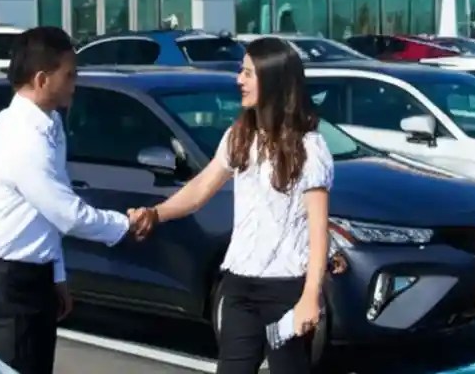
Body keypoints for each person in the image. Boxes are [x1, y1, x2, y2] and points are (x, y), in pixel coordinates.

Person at [128, 37, 333, 374]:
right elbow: (199, 190)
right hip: (238, 287)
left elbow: (317, 227)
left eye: (249, 73)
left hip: (286, 291)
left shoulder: (310, 147)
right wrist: (155, 213)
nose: (239, 79)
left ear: (274, 79)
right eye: (242, 71)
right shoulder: (239, 136)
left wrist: (311, 295)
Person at [0, 26, 133, 374]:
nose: (74, 84)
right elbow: (67, 215)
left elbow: (43, 217)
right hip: (4, 283)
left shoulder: (49, 123)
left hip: (29, 277)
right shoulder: (23, 138)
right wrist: (128, 224)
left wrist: (55, 275)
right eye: (69, 75)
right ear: (42, 79)